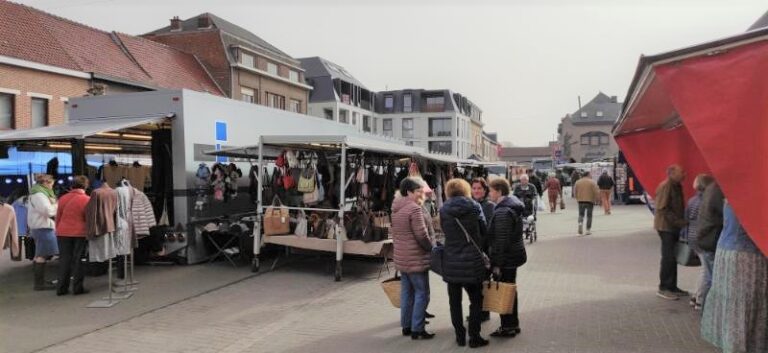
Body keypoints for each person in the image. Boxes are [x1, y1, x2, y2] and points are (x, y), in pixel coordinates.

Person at [700, 200, 768, 353]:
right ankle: (739, 346)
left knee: (733, 305)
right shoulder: (753, 200)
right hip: (746, 257)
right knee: (745, 305)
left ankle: (732, 344)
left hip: (727, 252)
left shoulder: (733, 196)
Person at [440, 178, 490, 348]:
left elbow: (445, 230)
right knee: (476, 299)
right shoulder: (475, 206)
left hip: (451, 261)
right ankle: (474, 336)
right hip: (472, 262)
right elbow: (484, 230)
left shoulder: (444, 209)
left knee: (454, 302)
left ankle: (460, 336)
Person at [391, 178, 434, 340]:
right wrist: (431, 248)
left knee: (407, 293)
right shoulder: (414, 209)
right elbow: (422, 235)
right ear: (408, 192)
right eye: (417, 191)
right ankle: (418, 329)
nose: (421, 193)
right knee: (422, 293)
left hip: (402, 258)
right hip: (416, 257)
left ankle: (406, 326)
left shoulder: (396, 208)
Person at [486, 178, 526, 338]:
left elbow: (501, 241)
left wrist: (497, 264)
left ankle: (507, 326)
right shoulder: (510, 206)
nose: (489, 193)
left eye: (491, 191)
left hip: (507, 259)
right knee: (510, 290)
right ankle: (513, 324)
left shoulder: (503, 211)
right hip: (513, 256)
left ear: (499, 191)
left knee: (505, 291)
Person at [653, 164, 688, 300]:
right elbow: (662, 208)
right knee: (668, 257)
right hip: (666, 227)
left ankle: (672, 286)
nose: (684, 174)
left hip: (672, 227)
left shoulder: (676, 186)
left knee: (673, 257)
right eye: (681, 172)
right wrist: (679, 222)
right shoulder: (666, 186)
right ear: (672, 173)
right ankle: (664, 288)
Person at [55, 176, 91, 296]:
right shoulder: (87, 199)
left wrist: (58, 230)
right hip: (80, 233)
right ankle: (77, 288)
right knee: (78, 259)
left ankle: (61, 288)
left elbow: (58, 217)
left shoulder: (63, 198)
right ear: (85, 186)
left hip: (62, 232)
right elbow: (88, 218)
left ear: (72, 186)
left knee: (64, 259)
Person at [683, 173, 714, 310]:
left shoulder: (692, 200)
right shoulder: (706, 201)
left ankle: (696, 296)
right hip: (702, 237)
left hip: (692, 237)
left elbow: (686, 218)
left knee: (703, 269)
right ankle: (700, 300)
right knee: (706, 271)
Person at [696, 181, 725, 309]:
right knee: (711, 277)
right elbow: (724, 212)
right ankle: (705, 306)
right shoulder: (717, 191)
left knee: (708, 274)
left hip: (705, 238)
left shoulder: (710, 189)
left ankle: (702, 302)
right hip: (711, 239)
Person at [27, 174, 58, 291]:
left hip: (40, 226)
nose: (52, 187)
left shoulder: (39, 193)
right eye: (51, 184)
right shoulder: (39, 195)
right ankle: (39, 284)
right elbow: (48, 211)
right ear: (45, 183)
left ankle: (40, 282)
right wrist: (57, 205)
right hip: (43, 227)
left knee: (40, 254)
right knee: (42, 255)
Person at [470, 178, 493, 322]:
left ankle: (483, 313)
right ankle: (478, 312)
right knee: (475, 285)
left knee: (483, 283)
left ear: (485, 190)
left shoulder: (489, 206)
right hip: (473, 251)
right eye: (474, 188)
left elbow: (488, 231)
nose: (476, 191)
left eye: (479, 188)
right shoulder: (470, 205)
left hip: (484, 251)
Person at [574, 171, 599, 235]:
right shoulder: (592, 182)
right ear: (588, 175)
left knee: (581, 214)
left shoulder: (578, 182)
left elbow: (575, 192)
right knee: (589, 216)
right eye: (590, 174)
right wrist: (597, 199)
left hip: (580, 201)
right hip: (590, 201)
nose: (591, 176)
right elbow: (596, 192)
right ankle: (588, 230)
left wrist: (577, 198)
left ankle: (580, 224)